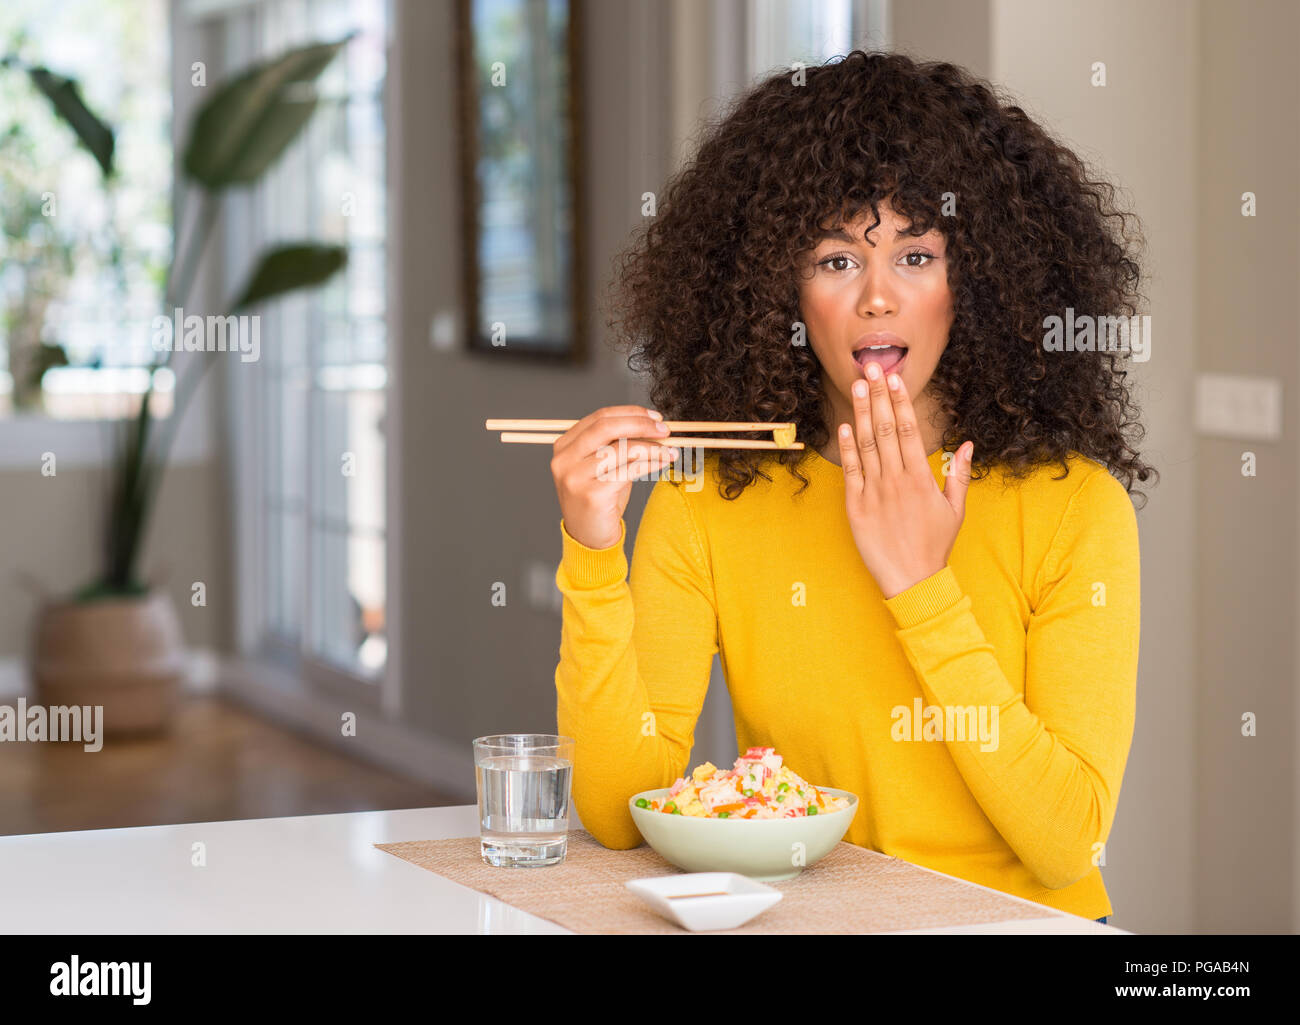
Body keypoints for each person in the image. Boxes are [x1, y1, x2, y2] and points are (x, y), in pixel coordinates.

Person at [550, 50, 1154, 923]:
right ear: (776, 291)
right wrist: (593, 550)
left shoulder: (1073, 506)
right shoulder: (712, 495)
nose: (877, 297)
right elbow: (616, 814)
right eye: (836, 261)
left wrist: (921, 587)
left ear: (977, 283)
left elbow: (1067, 846)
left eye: (915, 255)